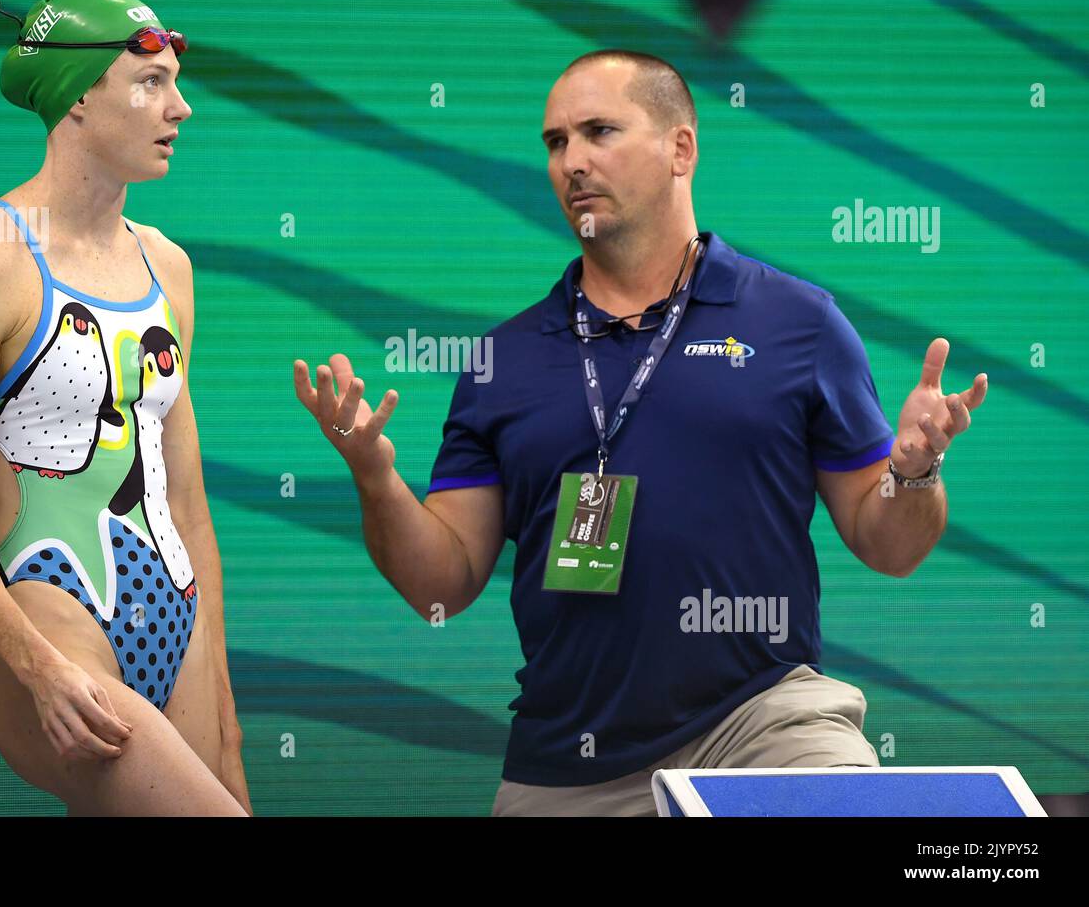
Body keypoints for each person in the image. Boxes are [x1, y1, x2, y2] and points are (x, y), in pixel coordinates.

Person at [293, 49, 987, 816]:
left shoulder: (798, 322)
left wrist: (917, 470)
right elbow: (440, 583)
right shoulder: (503, 360)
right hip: (567, 762)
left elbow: (890, 544)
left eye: (599, 131)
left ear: (680, 148)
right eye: (556, 142)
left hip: (765, 722)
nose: (572, 162)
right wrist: (373, 477)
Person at [0, 0, 250, 816]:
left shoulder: (168, 264)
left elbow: (187, 502)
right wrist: (34, 664)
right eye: (151, 83)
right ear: (80, 96)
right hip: (55, 621)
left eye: (175, 81)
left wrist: (226, 714)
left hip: (178, 618)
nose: (182, 107)